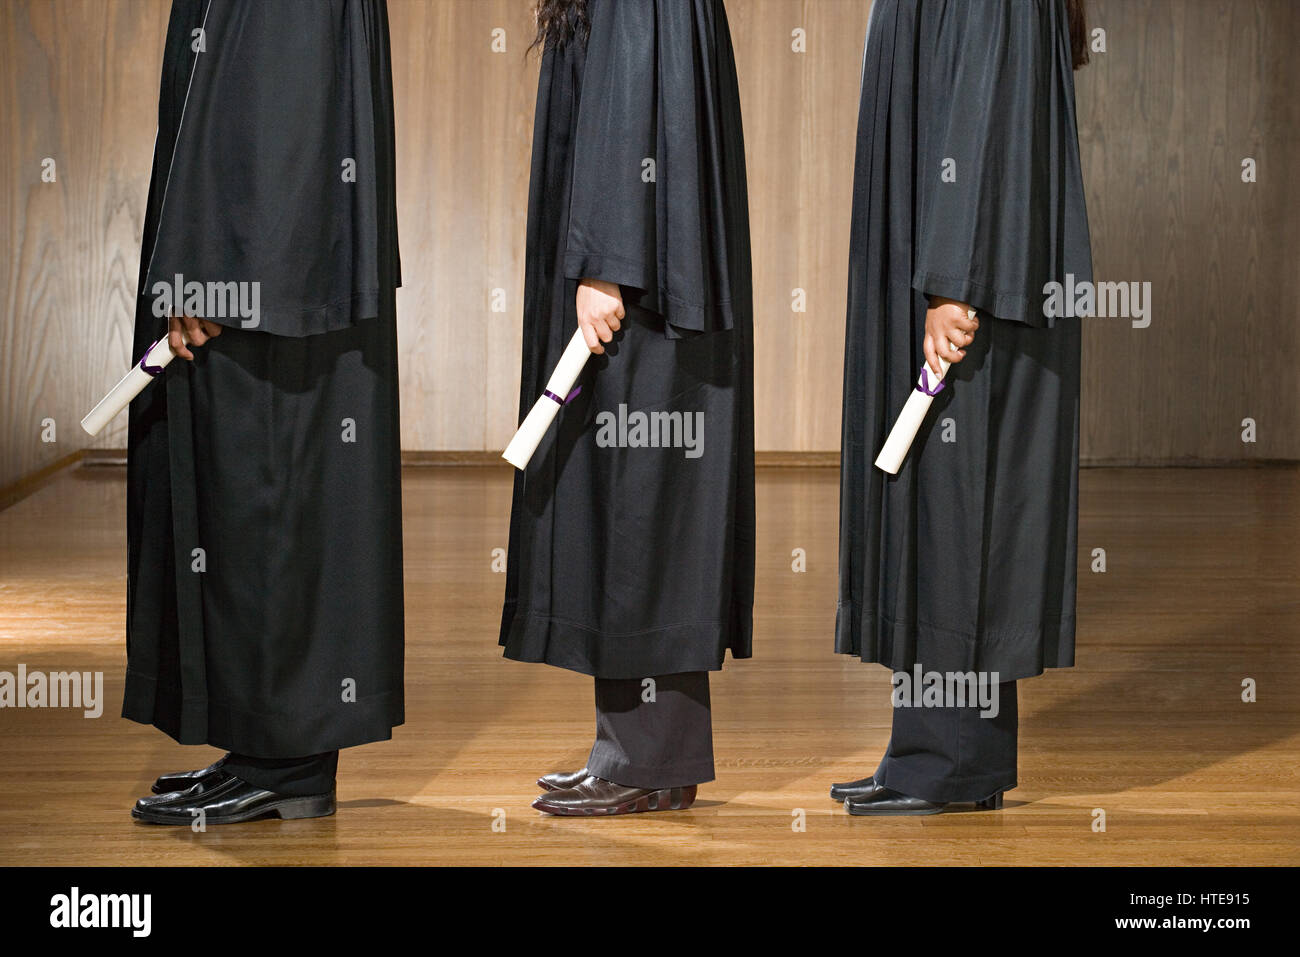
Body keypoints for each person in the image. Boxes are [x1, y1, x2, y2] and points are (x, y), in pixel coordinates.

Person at [124, 0, 403, 825]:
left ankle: (284, 758)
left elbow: (280, 108)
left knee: (269, 496)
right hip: (263, 269)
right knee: (250, 504)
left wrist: (216, 267)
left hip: (270, 280)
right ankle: (266, 750)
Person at [833, 0, 1093, 815]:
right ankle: (927, 751)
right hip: (943, 271)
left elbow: (983, 119)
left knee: (963, 521)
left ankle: (950, 764)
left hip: (971, 287)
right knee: (935, 520)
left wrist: (952, 279)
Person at [500, 0, 755, 816]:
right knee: (619, 512)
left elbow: (640, 105)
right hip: (635, 272)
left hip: (643, 288)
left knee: (647, 513)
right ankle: (627, 749)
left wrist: (608, 262)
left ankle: (651, 761)